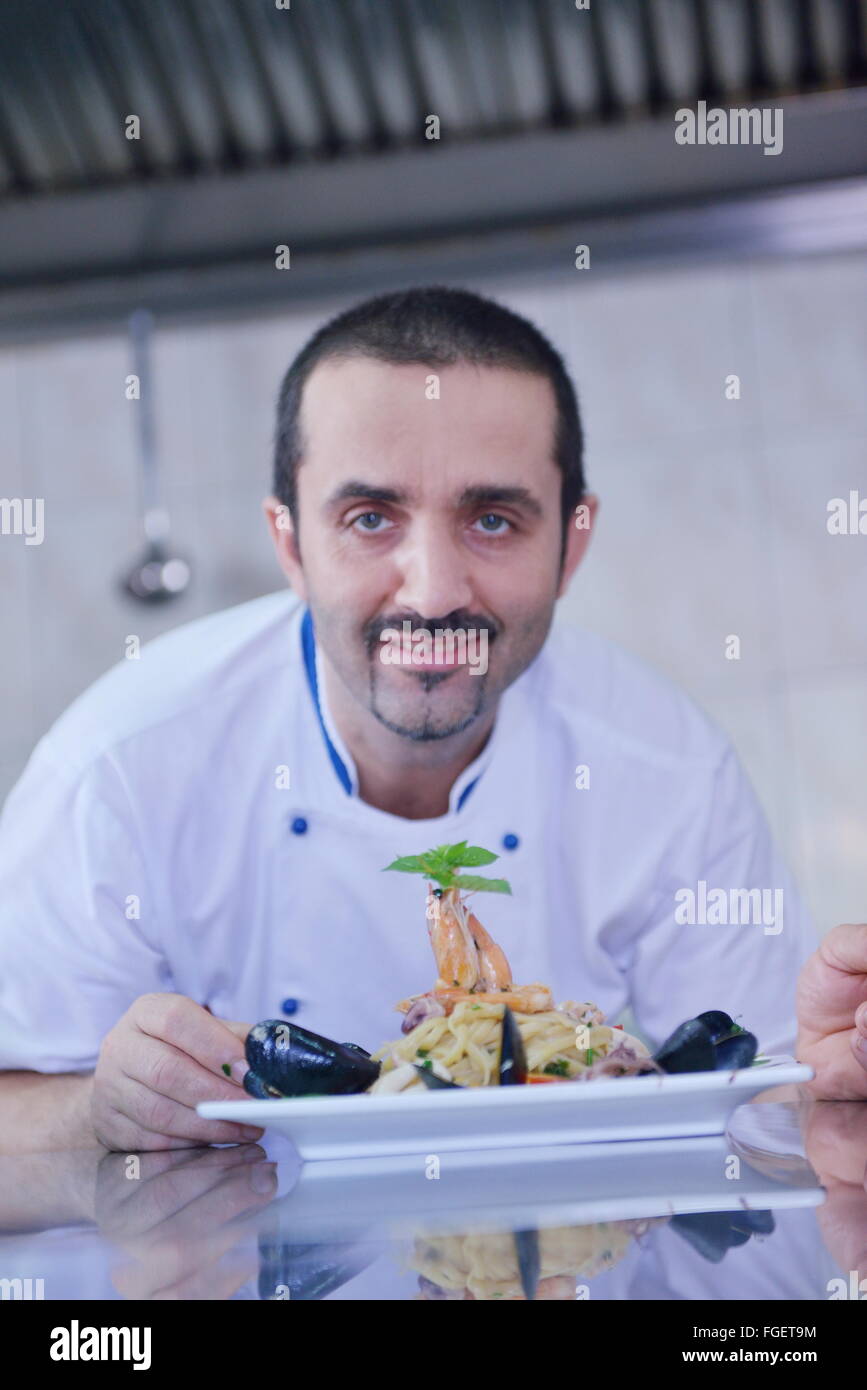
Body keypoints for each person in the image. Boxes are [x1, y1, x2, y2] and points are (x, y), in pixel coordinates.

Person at [0, 287, 821, 1153]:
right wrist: (98, 1114)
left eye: (493, 519)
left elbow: (770, 1102)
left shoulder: (669, 772)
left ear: (571, 546)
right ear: (290, 546)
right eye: (369, 518)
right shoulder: (119, 767)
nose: (431, 593)